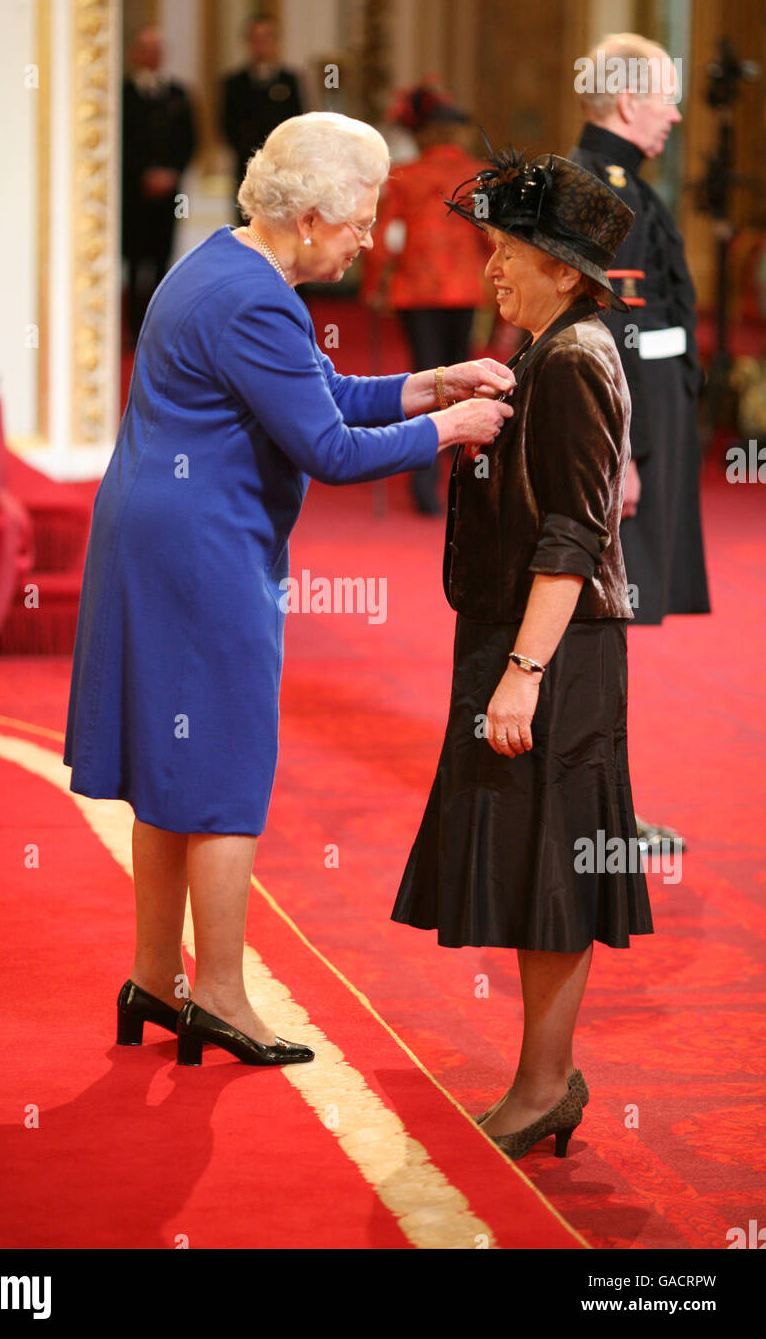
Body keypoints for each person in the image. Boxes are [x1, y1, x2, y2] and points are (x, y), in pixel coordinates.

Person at [64, 113, 515, 1070]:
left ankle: (153, 975)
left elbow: (321, 393)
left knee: (165, 767)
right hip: (201, 553)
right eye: (357, 221)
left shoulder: (223, 266)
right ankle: (221, 997)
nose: (366, 238)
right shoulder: (257, 300)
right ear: (309, 217)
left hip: (155, 533)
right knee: (224, 770)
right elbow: (328, 448)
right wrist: (457, 427)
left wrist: (433, 383)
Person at [391, 148, 654, 1161]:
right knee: (529, 861)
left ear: (563, 268)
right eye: (492, 247)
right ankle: (543, 1077)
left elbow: (574, 535)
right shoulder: (548, 351)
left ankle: (545, 1083)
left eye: (507, 251)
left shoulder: (579, 357)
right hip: (523, 635)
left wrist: (522, 674)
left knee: (551, 866)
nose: (491, 268)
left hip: (559, 649)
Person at [570, 33, 711, 852]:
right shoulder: (604, 186)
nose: (678, 113)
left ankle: (605, 806)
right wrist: (617, 451)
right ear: (629, 102)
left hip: (647, 433)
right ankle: (598, 813)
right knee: (598, 624)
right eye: (666, 96)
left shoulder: (620, 182)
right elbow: (606, 333)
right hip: (631, 442)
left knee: (608, 624)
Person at [361, 80, 495, 515]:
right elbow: (490, 236)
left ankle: (424, 480)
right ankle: (462, 472)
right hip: (464, 287)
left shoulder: (406, 176)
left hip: (415, 288)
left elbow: (384, 236)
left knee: (429, 377)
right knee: (466, 378)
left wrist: (375, 283)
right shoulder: (478, 174)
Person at [122, 27, 198, 346]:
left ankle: (159, 325)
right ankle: (133, 329)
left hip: (170, 192)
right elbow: (120, 141)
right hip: (134, 193)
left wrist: (171, 173)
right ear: (134, 53)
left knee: (164, 258)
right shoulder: (123, 93)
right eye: (145, 48)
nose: (152, 55)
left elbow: (189, 140)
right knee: (136, 259)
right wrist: (144, 174)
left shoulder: (178, 93)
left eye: (157, 48)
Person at [220, 14, 304, 221]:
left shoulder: (289, 81)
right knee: (248, 222)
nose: (262, 45)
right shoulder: (234, 83)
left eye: (267, 38)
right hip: (246, 166)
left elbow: (298, 122)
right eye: (256, 39)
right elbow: (226, 125)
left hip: (282, 168)